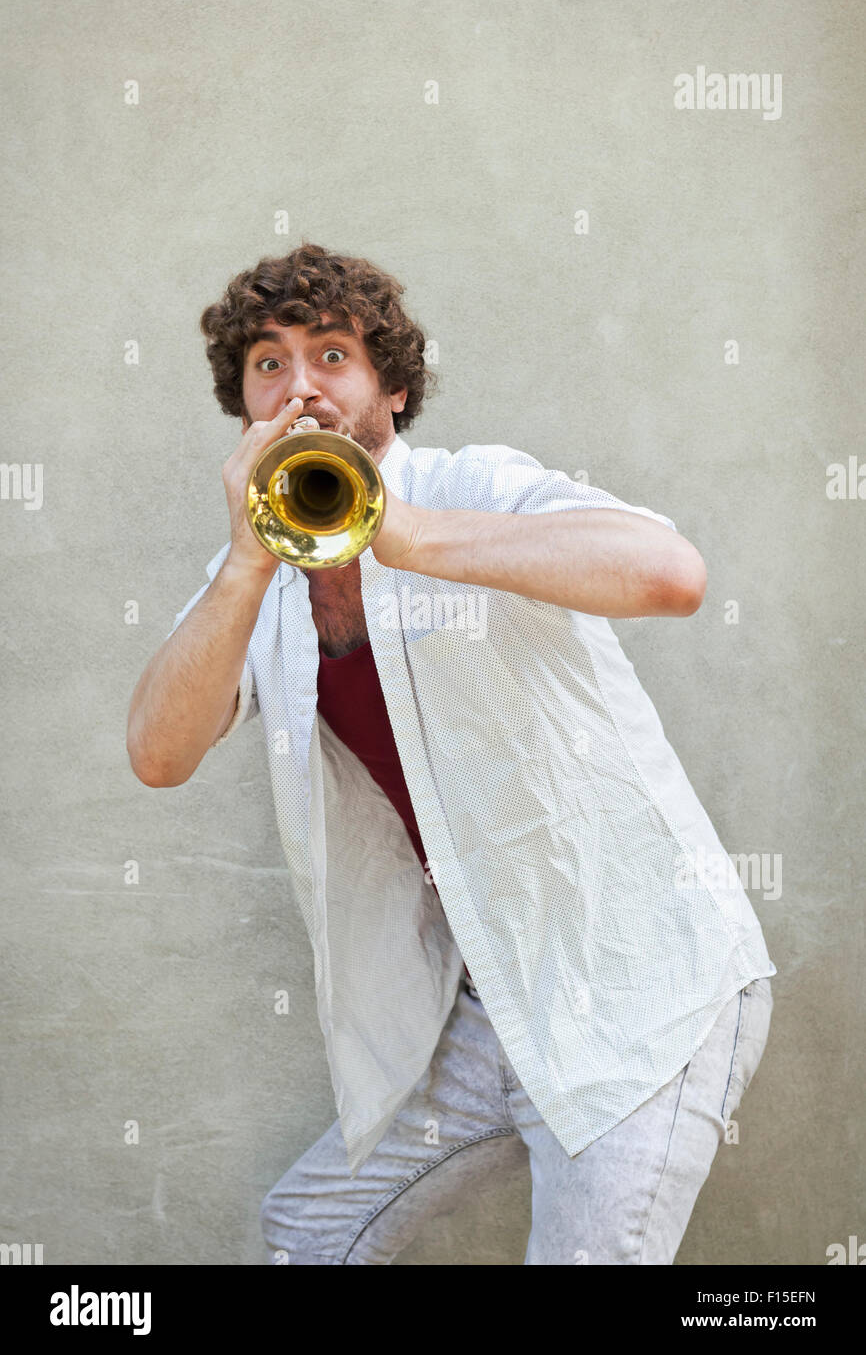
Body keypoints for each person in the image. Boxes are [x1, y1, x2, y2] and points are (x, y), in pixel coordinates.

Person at [126, 242, 776, 1265]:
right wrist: (249, 562)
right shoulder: (251, 573)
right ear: (245, 409)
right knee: (307, 1233)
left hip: (644, 988)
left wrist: (403, 534)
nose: (298, 384)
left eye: (330, 354)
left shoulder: (475, 486)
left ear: (387, 386)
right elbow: (157, 753)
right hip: (492, 1007)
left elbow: (670, 573)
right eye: (267, 364)